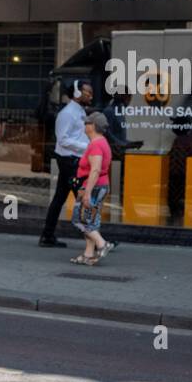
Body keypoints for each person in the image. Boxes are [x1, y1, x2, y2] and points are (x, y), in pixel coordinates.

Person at [39, 80, 94, 248]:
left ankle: (47, 236)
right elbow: (62, 139)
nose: (90, 96)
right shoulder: (68, 113)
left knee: (59, 199)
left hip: (72, 161)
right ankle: (98, 240)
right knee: (86, 198)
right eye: (87, 93)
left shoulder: (80, 112)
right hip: (70, 162)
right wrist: (87, 147)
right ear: (77, 93)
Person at [70, 111, 116, 266]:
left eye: (87, 123)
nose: (85, 125)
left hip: (93, 187)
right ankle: (88, 255)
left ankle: (102, 244)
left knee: (79, 220)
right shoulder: (102, 142)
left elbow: (95, 170)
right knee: (90, 220)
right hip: (100, 186)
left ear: (93, 126)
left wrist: (87, 192)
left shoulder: (96, 144)